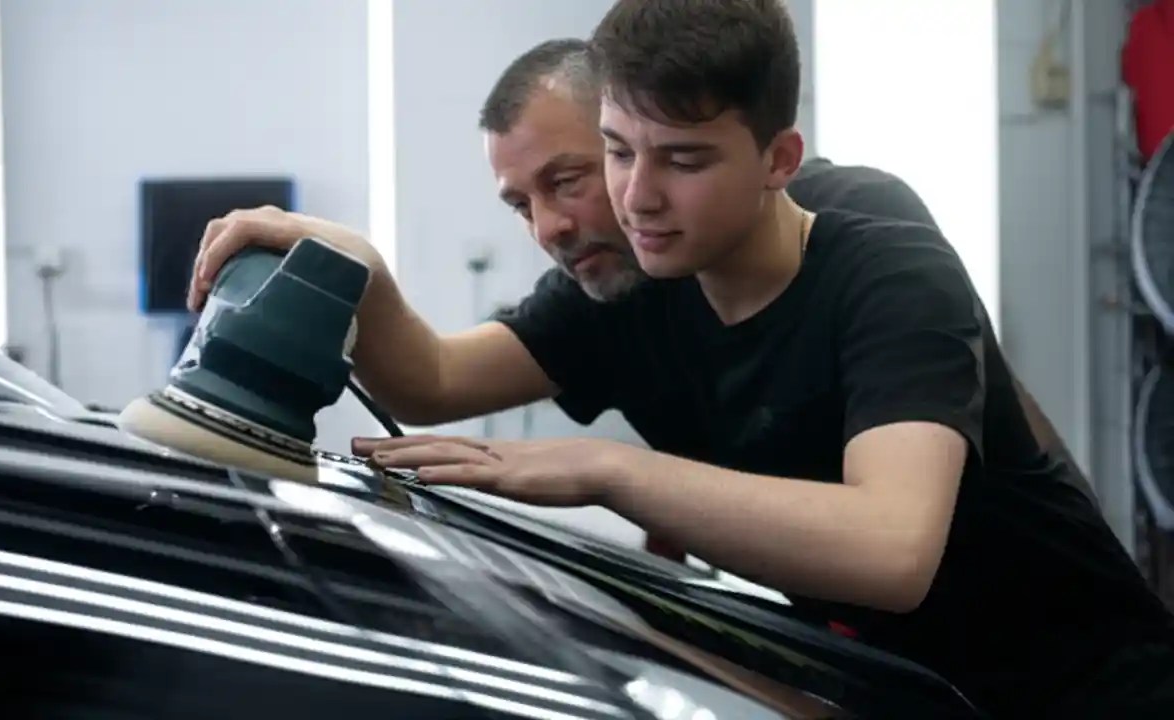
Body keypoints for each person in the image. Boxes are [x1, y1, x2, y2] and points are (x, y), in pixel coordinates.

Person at [185, 6, 1174, 718]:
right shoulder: (629, 278)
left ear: (776, 159)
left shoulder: (879, 251)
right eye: (618, 154)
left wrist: (610, 472)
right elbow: (432, 382)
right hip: (911, 685)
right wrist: (351, 268)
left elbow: (891, 548)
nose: (631, 199)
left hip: (1090, 683)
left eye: (680, 160)